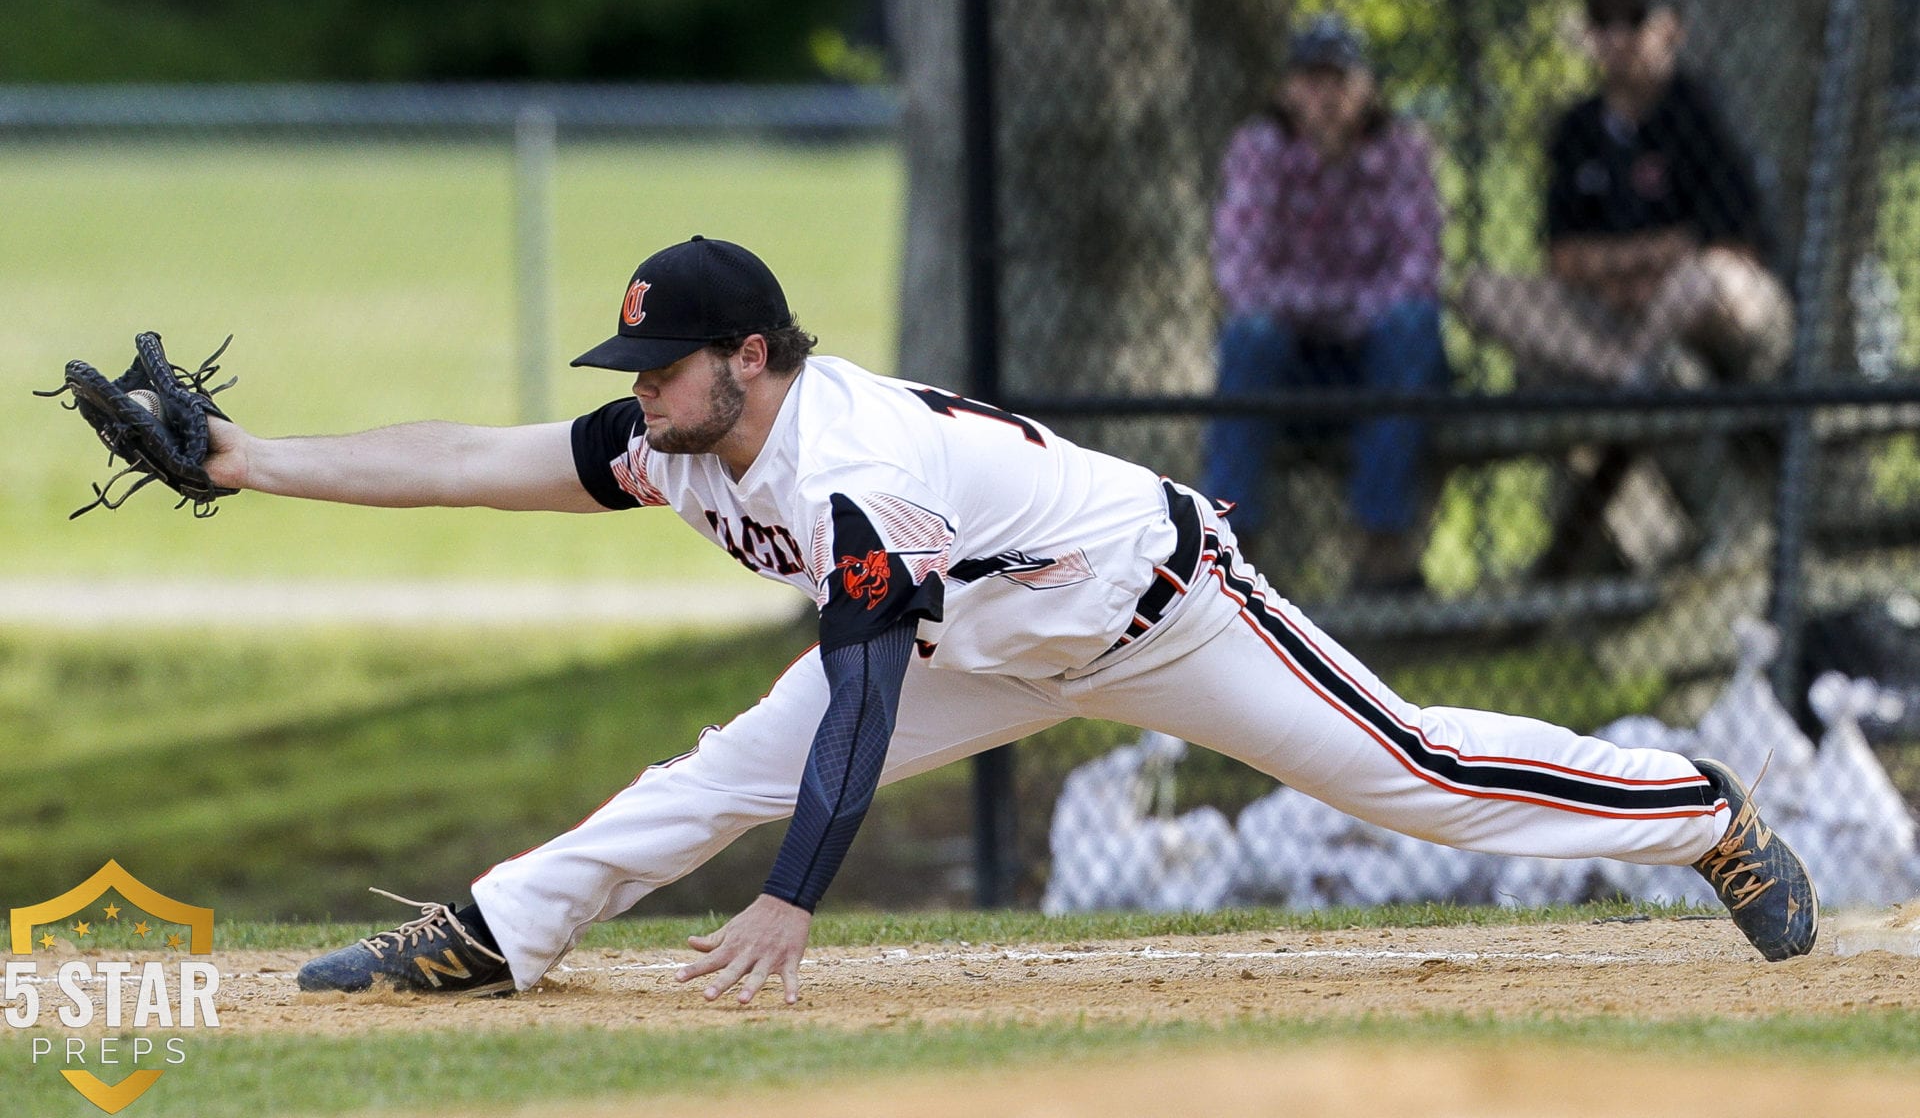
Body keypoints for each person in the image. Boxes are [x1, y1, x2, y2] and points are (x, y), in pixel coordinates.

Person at [212, 235, 1815, 1006]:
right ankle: (496, 936)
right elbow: (468, 462)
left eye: (668, 363)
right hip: (974, 637)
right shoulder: (678, 444)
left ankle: (1706, 816)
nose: (642, 390)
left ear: (752, 358)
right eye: (637, 366)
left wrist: (791, 901)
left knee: (1422, 775)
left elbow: (854, 704)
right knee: (713, 772)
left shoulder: (849, 470)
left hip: (1159, 610)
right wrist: (245, 458)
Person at [1458, 0, 1792, 388]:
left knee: (1699, 281)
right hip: (1608, 310)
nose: (1617, 37)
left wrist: (1621, 267)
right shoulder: (1576, 128)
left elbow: (1733, 248)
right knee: (1480, 291)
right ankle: (1630, 374)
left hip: (1707, 309)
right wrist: (1651, 257)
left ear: (1671, 29)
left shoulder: (1702, 113)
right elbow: (1563, 259)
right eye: (1602, 21)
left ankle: (1640, 368)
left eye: (1634, 19)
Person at [1204, 14, 1448, 592]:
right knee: (1249, 337)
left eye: (1340, 79)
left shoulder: (1403, 152)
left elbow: (1420, 271)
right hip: (1291, 366)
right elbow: (1239, 276)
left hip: (1377, 361)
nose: (1326, 96)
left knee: (1412, 326)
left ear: (1368, 90)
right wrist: (1343, 308)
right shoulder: (1258, 151)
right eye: (1312, 81)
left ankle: (1383, 553)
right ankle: (1226, 554)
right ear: (1287, 91)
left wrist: (1320, 308)